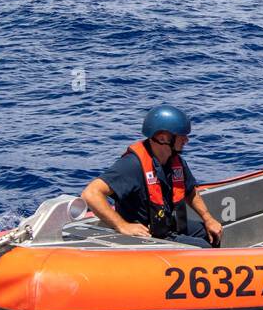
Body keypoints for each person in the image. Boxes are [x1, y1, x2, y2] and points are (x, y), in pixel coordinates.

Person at [80, 103, 224, 247]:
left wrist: (208, 218)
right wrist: (122, 225)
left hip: (168, 226)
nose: (186, 140)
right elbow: (91, 193)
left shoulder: (175, 160)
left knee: (212, 234)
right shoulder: (132, 165)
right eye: (181, 136)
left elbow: (189, 191)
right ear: (162, 138)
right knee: (202, 247)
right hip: (148, 236)